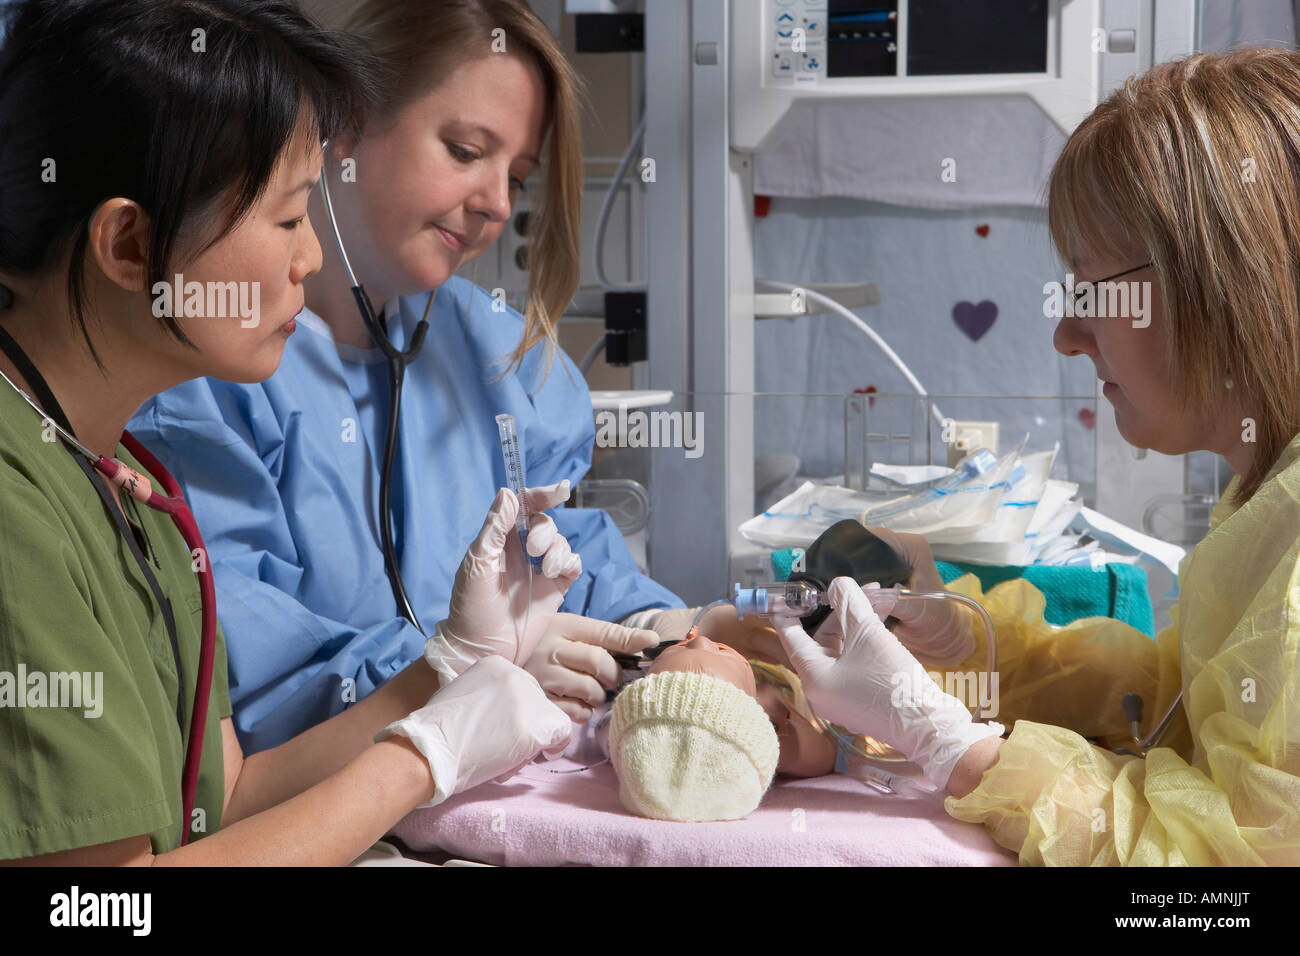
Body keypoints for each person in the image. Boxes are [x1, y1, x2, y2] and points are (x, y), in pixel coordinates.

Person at [0, 0, 574, 866]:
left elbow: (225, 801)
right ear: (128, 244)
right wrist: (423, 760)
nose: (309, 260)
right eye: (286, 217)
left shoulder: (125, 481)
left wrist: (446, 669)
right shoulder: (16, 510)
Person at [772, 48, 1300, 865]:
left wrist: (952, 742)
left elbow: (1217, 882)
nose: (1067, 335)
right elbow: (1185, 706)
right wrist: (984, 655)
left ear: (1225, 284)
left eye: (1092, 292)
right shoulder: (1266, 496)